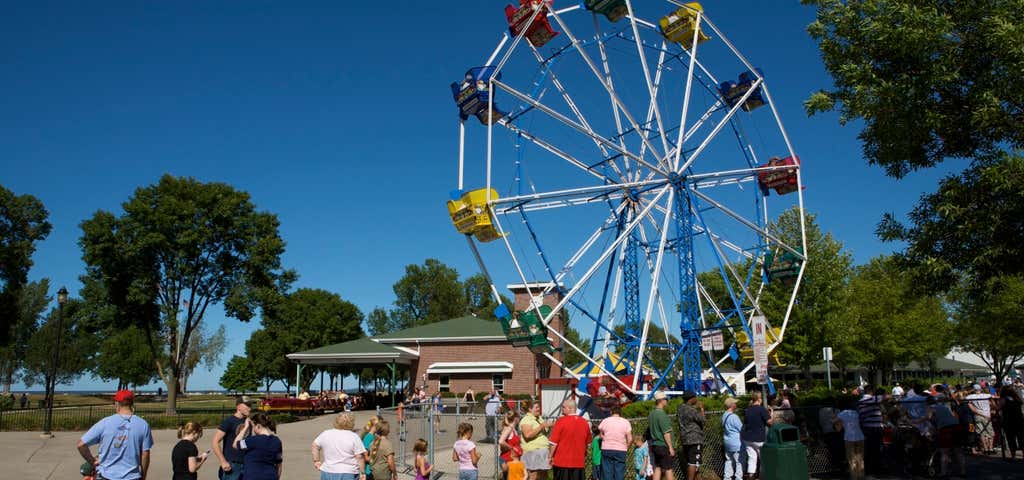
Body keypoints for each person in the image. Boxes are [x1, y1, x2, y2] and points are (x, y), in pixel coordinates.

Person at [76, 390, 154, 480]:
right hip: (131, 477)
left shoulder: (105, 423)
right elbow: (145, 454)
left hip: (106, 475)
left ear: (117, 403)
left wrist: (93, 461)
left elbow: (81, 445)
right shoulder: (143, 424)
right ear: (132, 403)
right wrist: (143, 476)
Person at [312, 412, 367, 480]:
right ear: (351, 423)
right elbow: (359, 457)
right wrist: (362, 472)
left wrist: (316, 460)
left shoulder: (326, 433)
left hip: (328, 471)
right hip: (348, 472)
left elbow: (315, 445)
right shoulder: (353, 436)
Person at [548, 399, 592, 480]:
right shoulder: (584, 422)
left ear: (570, 408)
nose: (562, 409)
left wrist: (550, 457)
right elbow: (588, 443)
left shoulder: (561, 421)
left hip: (562, 462)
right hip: (578, 462)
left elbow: (553, 443)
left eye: (564, 407)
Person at [212, 396, 253, 480]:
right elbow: (215, 442)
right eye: (247, 405)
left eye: (250, 405)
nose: (250, 408)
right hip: (232, 465)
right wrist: (223, 461)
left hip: (247, 464)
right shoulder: (229, 421)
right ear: (238, 407)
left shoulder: (248, 422)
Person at [233, 413, 282, 480]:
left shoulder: (253, 440)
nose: (253, 429)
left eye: (253, 426)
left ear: (258, 426)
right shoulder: (276, 441)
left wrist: (245, 427)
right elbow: (279, 464)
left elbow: (235, 444)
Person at [928, 392, 964, 477]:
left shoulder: (932, 407)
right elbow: (953, 416)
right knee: (958, 450)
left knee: (944, 451)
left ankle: (944, 472)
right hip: (955, 426)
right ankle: (963, 471)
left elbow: (928, 418)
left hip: (945, 428)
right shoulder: (945, 407)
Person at [740, 391, 771, 478]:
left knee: (752, 458)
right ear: (759, 399)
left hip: (747, 438)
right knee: (763, 458)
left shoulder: (747, 410)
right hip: (758, 438)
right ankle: (764, 476)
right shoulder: (761, 409)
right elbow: (770, 422)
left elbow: (745, 423)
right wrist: (771, 413)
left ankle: (751, 476)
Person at [647, 391, 676, 480]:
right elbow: (666, 432)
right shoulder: (661, 414)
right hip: (663, 445)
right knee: (668, 469)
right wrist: (670, 447)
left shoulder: (652, 414)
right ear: (661, 400)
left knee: (658, 467)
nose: (667, 401)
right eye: (666, 399)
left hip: (655, 445)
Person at [520, 400, 553, 480]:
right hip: (533, 451)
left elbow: (543, 433)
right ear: (530, 409)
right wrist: (541, 426)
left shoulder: (539, 418)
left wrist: (549, 426)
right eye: (536, 407)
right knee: (533, 475)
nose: (538, 409)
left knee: (544, 475)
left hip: (542, 451)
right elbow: (528, 435)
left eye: (539, 407)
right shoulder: (526, 420)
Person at [675, 391, 704, 480]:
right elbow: (702, 420)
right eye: (695, 397)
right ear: (691, 399)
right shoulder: (692, 410)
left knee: (693, 462)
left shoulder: (680, 408)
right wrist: (701, 409)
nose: (696, 399)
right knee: (694, 463)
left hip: (685, 439)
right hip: (694, 439)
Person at [598, 405, 631, 480]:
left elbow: (600, 435)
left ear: (611, 412)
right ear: (620, 412)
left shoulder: (605, 420)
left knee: (606, 472)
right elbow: (630, 438)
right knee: (619, 472)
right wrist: (626, 446)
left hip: (607, 448)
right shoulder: (625, 422)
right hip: (620, 449)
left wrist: (605, 438)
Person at [857, 386, 884, 475]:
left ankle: (868, 469)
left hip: (866, 427)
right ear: (871, 391)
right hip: (875, 427)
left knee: (868, 449)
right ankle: (876, 469)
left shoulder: (860, 402)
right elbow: (884, 397)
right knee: (876, 449)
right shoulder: (872, 399)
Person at [836, 399, 865, 480]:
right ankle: (861, 476)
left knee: (851, 459)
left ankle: (854, 477)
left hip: (849, 438)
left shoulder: (841, 414)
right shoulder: (855, 413)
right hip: (860, 436)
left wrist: (833, 421)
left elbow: (838, 428)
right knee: (860, 458)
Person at [966, 384, 995, 454]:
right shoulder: (986, 395)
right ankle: (990, 448)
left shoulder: (970, 397)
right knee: (990, 432)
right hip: (987, 415)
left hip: (977, 415)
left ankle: (985, 448)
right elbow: (994, 398)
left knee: (981, 432)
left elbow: (967, 400)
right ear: (980, 389)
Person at [817, 398, 844, 472]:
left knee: (830, 450)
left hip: (826, 432)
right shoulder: (837, 410)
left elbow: (820, 422)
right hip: (836, 432)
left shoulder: (821, 411)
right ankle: (838, 466)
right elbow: (840, 422)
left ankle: (832, 467)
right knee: (837, 450)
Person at [999, 385, 1023, 459]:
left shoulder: (1004, 399)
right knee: (1021, 437)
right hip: (1019, 419)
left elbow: (998, 407)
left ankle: (1013, 455)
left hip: (1008, 420)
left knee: (1011, 438)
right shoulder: (1017, 398)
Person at [721, 398, 743, 480]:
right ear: (732, 405)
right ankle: (738, 478)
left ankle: (727, 477)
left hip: (727, 441)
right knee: (739, 461)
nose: (736, 405)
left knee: (728, 460)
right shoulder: (734, 417)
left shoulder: (724, 415)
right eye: (735, 403)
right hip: (736, 442)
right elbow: (741, 429)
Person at [500, 410, 523, 478]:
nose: (519, 419)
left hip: (514, 459)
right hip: (508, 458)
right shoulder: (509, 428)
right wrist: (512, 448)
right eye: (519, 417)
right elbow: (501, 441)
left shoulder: (512, 428)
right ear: (516, 418)